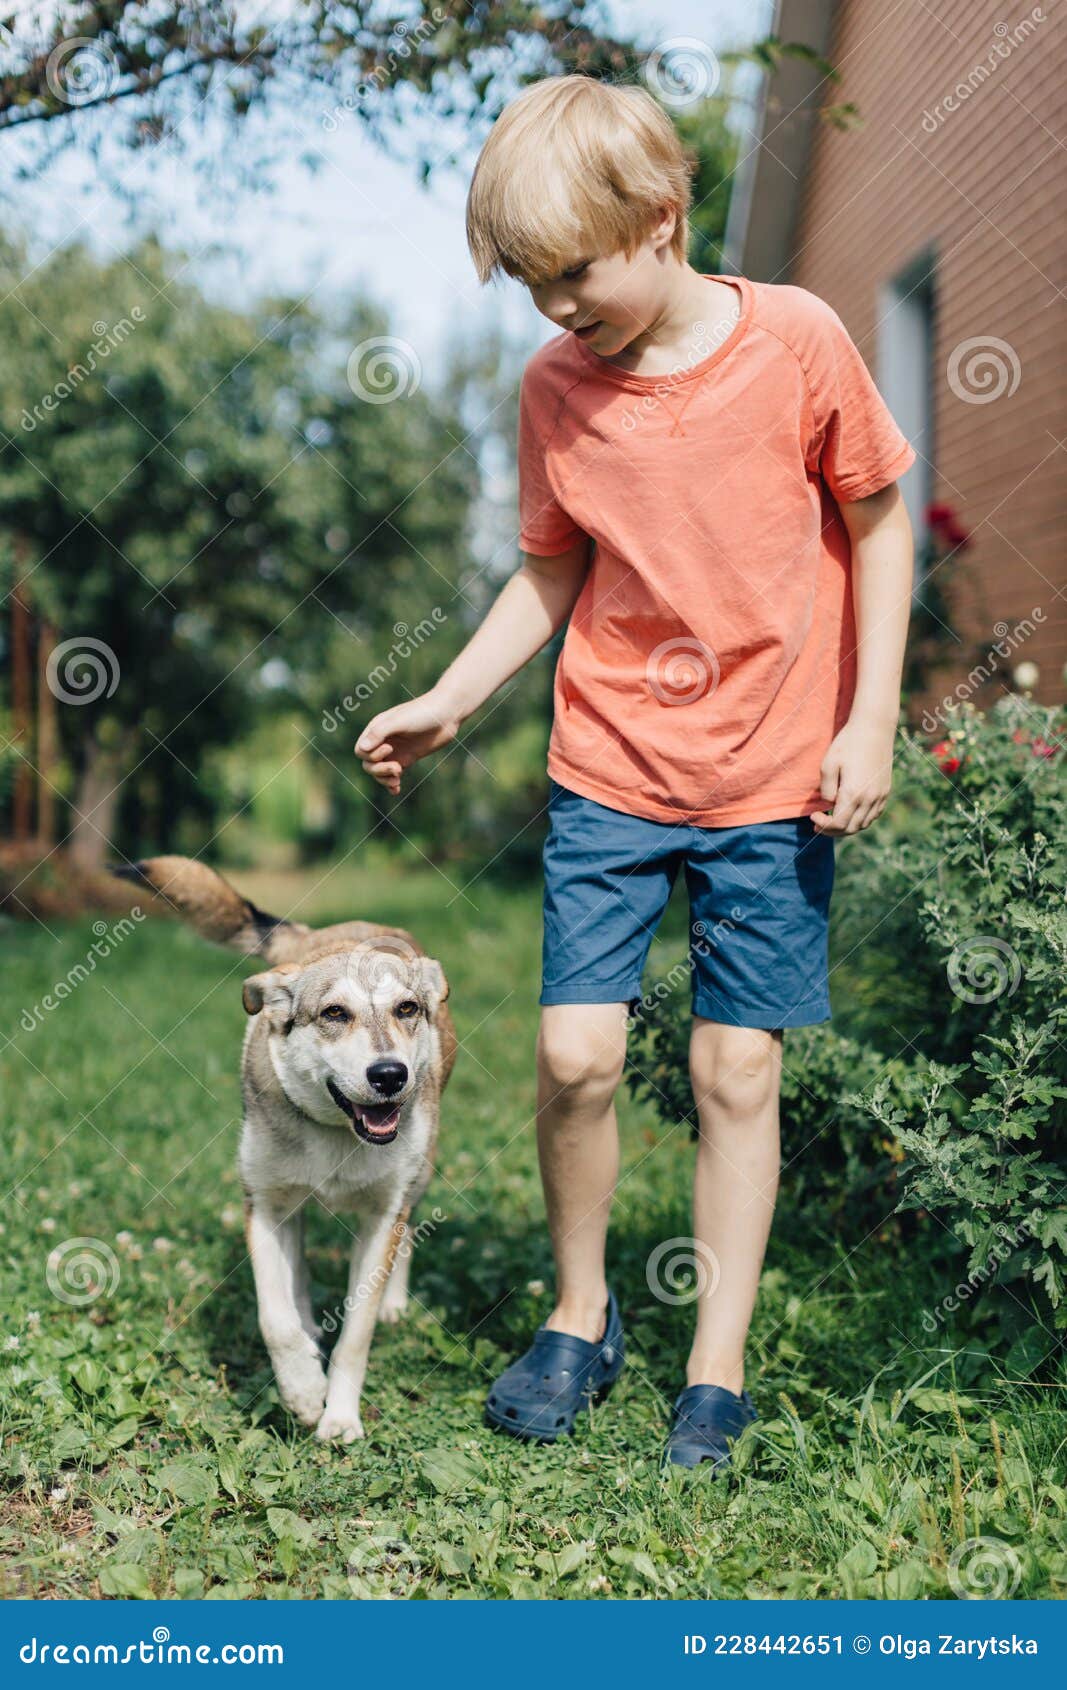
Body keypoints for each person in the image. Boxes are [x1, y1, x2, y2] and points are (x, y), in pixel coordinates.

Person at [354, 74, 916, 1469]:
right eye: (531, 283)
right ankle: (582, 1311)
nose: (554, 308)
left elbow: (883, 522)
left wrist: (872, 717)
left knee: (735, 1066)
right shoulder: (557, 386)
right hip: (611, 759)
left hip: (775, 767)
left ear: (662, 219)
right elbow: (551, 570)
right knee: (574, 1052)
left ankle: (713, 1366)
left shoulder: (797, 340)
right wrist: (448, 697)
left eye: (572, 273)